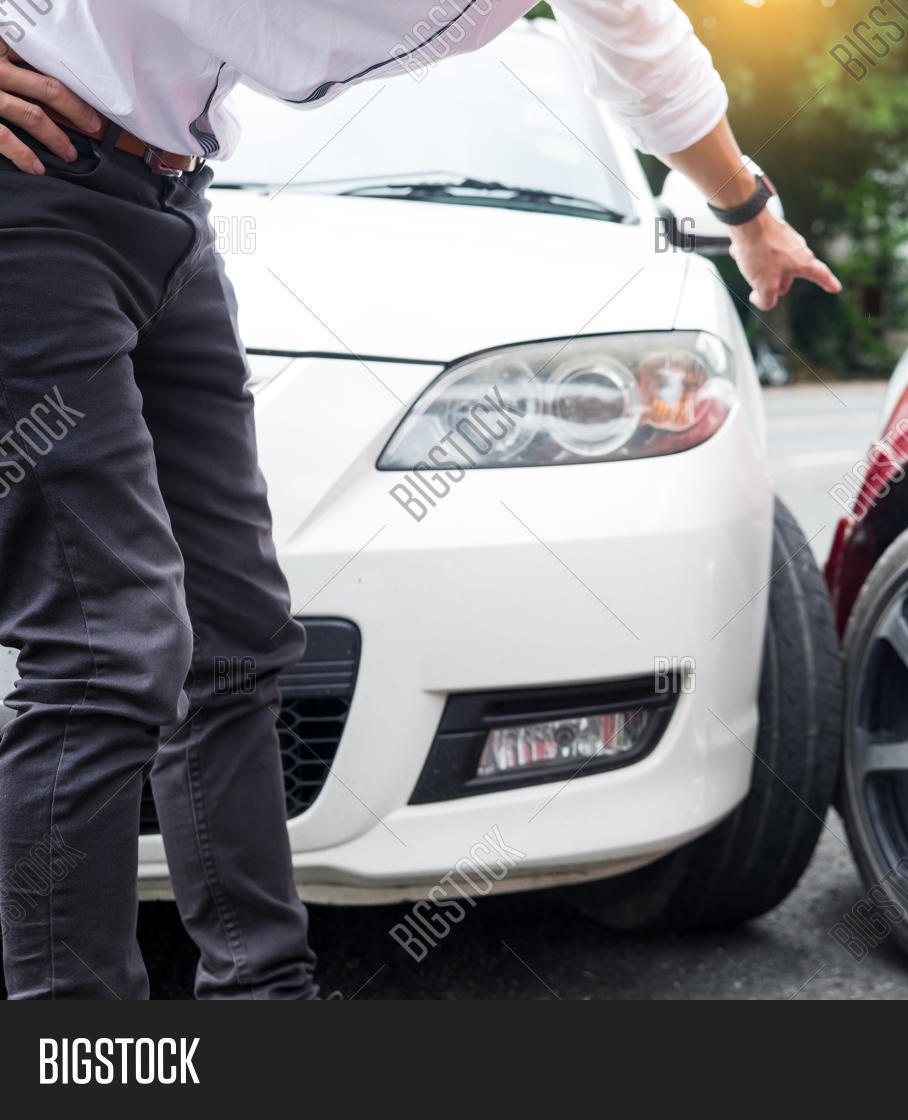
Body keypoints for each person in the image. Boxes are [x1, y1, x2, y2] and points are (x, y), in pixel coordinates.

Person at [0, 1, 839, 1000]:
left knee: (236, 638)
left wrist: (747, 213)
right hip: (35, 191)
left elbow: (640, 44)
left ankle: (267, 999)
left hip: (168, 198)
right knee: (109, 643)